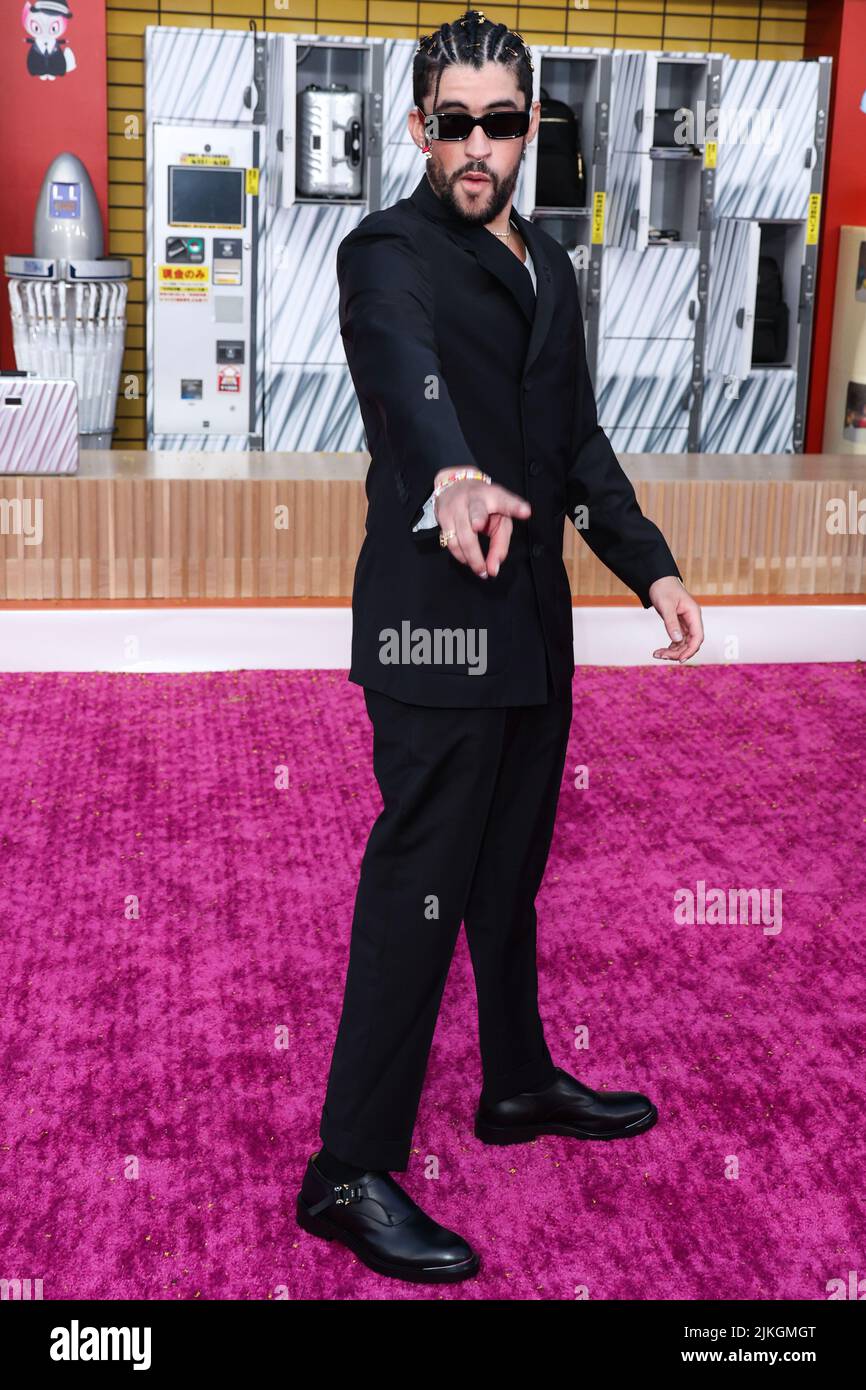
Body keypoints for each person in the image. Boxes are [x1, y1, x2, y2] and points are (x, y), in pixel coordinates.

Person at [296, 9, 704, 1285]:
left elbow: (574, 449)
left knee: (508, 876)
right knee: (416, 896)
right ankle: (348, 1170)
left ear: (530, 127)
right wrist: (453, 472)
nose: (476, 144)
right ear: (420, 128)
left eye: (500, 120)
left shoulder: (550, 264)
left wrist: (649, 565)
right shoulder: (385, 252)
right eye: (452, 121)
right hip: (432, 632)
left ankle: (514, 1081)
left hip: (529, 631)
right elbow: (401, 371)